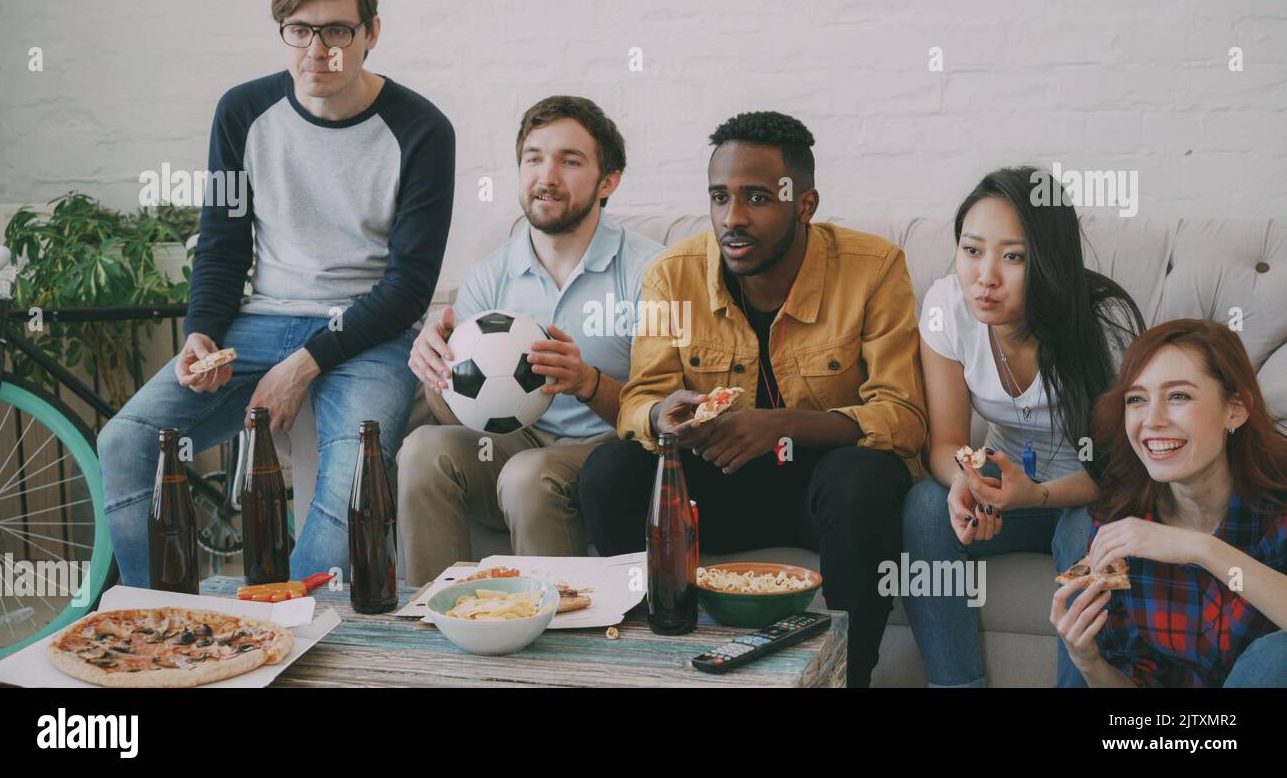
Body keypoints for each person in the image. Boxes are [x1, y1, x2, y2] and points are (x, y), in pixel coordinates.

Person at [98, 0, 455, 584]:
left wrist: (305, 364)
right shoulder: (243, 112)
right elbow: (222, 244)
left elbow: (408, 288)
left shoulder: (423, 129)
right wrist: (201, 333)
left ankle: (298, 633)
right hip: (259, 322)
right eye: (299, 30)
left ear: (372, 33)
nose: (317, 51)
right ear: (283, 32)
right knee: (125, 443)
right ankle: (158, 619)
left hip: (372, 333)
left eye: (337, 31)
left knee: (354, 484)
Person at [578, 111, 928, 688]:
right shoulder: (673, 274)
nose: (732, 219)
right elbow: (642, 398)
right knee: (609, 471)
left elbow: (903, 417)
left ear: (805, 205)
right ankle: (657, 666)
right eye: (720, 197)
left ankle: (847, 677)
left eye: (758, 198)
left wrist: (780, 426)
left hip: (821, 495)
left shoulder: (874, 269)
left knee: (863, 480)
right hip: (715, 487)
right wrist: (664, 415)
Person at [399, 96, 663, 586]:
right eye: (534, 158)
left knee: (528, 474)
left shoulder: (651, 270)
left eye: (570, 161)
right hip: (514, 444)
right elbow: (458, 415)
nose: (547, 177)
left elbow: (664, 413)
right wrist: (438, 375)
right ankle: (440, 622)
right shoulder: (489, 276)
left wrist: (586, 382)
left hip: (611, 451)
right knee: (422, 449)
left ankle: (557, 642)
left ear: (609, 181)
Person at [901, 167, 1144, 687]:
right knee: (925, 505)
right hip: (1006, 487)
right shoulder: (948, 307)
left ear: (1049, 263)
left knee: (1086, 531)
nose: (985, 277)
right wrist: (967, 482)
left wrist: (1033, 496)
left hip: (1087, 491)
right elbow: (946, 442)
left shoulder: (1104, 321)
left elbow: (1120, 470)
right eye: (972, 250)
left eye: (1013, 257)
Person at [1054, 319, 1287, 687]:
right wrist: (1087, 662)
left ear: (1235, 410)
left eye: (1179, 396)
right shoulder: (1118, 524)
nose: (1152, 420)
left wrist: (1200, 548)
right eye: (1136, 399)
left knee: (1277, 656)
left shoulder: (1278, 504)